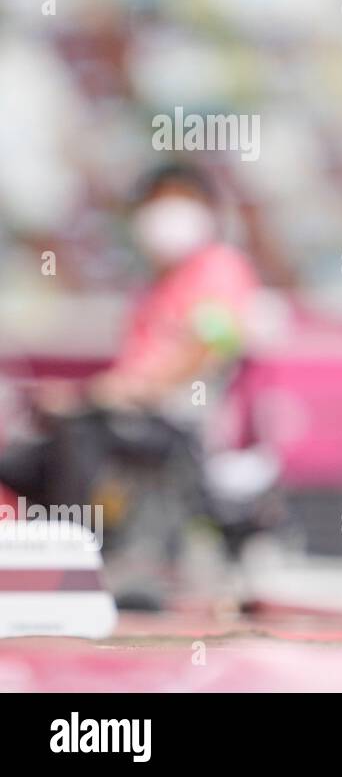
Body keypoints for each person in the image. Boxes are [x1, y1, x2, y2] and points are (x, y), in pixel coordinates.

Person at [0, 161, 260, 577]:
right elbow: (123, 378)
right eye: (158, 201)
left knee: (81, 433)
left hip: (182, 421)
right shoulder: (153, 287)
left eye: (181, 200)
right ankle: (45, 555)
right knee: (23, 459)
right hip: (131, 414)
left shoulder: (219, 268)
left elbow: (211, 346)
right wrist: (89, 396)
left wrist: (125, 392)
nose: (168, 213)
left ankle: (84, 561)